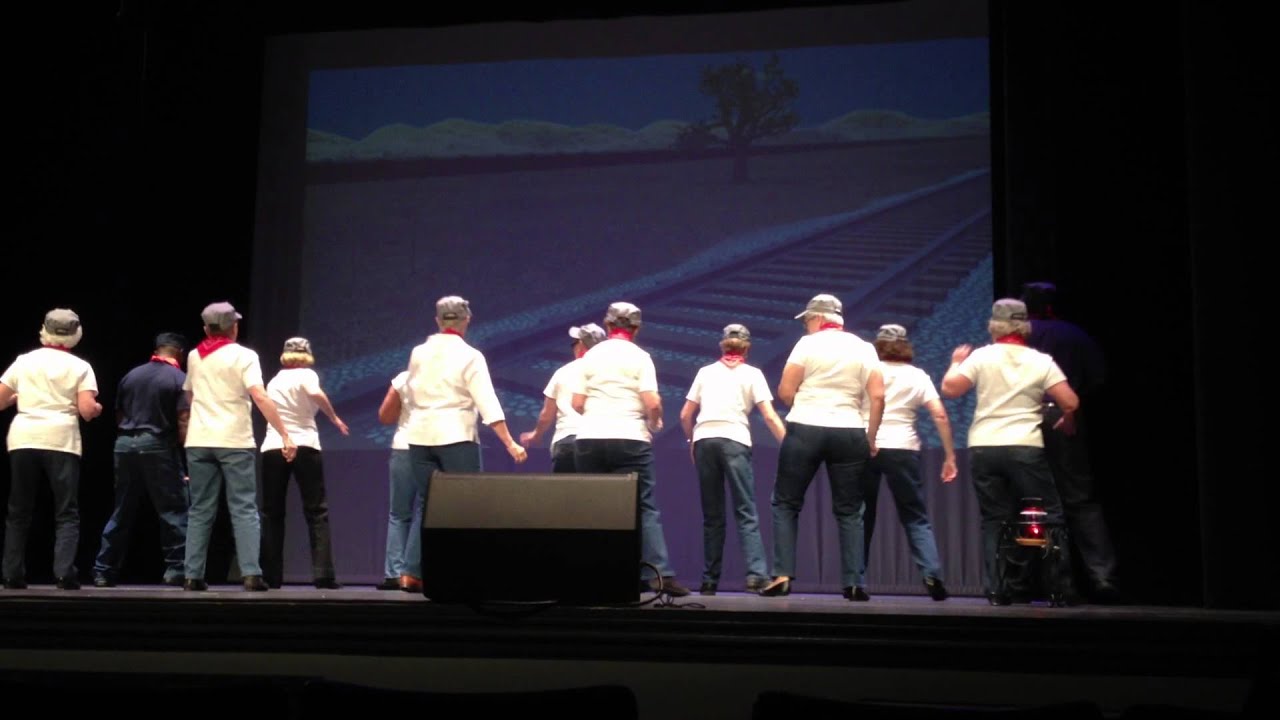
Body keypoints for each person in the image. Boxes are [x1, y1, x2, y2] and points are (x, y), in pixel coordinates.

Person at [941, 298, 1080, 605]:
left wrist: (954, 362)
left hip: (985, 447)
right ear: (1025, 326)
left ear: (994, 326)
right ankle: (1060, 589)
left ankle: (999, 590)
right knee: (1049, 516)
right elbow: (1070, 402)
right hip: (1025, 447)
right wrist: (1065, 418)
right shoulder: (1040, 360)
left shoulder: (982, 357)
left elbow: (951, 389)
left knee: (995, 519)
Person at [760, 294, 884, 600]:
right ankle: (854, 582)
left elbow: (786, 390)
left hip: (806, 428)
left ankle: (783, 576)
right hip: (850, 431)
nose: (806, 326)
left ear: (817, 319)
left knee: (786, 503)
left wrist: (801, 402)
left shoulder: (807, 344)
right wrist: (870, 435)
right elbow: (878, 396)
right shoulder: (864, 348)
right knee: (850, 510)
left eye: (806, 321)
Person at [401, 295, 528, 592]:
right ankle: (465, 572)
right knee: (467, 505)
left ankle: (412, 572)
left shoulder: (418, 353)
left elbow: (409, 391)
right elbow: (487, 402)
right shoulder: (470, 355)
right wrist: (510, 443)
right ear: (466, 320)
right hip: (455, 435)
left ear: (437, 320)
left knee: (427, 503)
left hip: (419, 435)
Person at [571, 301, 691, 597]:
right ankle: (660, 574)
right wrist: (655, 420)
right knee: (645, 507)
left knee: (592, 508)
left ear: (608, 324)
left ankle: (591, 574)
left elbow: (576, 403)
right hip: (630, 438)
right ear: (636, 329)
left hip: (590, 438)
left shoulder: (590, 356)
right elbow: (652, 401)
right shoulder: (641, 357)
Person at [182, 301, 297, 592]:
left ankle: (192, 574)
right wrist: (284, 433)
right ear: (233, 326)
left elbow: (191, 397)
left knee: (199, 509)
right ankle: (250, 573)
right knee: (244, 507)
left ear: (207, 328)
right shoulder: (245, 356)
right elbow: (259, 395)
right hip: (233, 439)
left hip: (199, 439)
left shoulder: (196, 356)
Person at [1022, 281, 1122, 603]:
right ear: (1053, 305)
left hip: (1026, 421)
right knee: (1080, 499)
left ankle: (1052, 581)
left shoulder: (1017, 338)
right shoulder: (1076, 335)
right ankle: (1102, 576)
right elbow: (1098, 379)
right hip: (1068, 418)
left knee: (1035, 502)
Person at [679, 323, 786, 596]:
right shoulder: (753, 374)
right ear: (747, 348)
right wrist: (788, 444)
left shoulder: (705, 372)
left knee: (713, 516)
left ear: (722, 346)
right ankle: (755, 575)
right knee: (745, 511)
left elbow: (684, 415)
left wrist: (693, 441)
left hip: (705, 440)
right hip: (735, 440)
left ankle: (709, 581)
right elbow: (769, 415)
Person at [0, 309, 102, 590]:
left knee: (18, 509)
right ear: (76, 333)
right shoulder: (80, 366)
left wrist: (23, 397)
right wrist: (96, 408)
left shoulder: (24, 361)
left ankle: (11, 573)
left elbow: (0, 400)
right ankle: (64, 573)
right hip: (60, 439)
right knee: (66, 510)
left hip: (24, 437)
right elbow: (85, 410)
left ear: (44, 329)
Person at [856, 323, 957, 601]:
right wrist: (949, 455)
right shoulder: (918, 376)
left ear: (878, 345)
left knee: (861, 515)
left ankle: (856, 581)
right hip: (903, 449)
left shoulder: (867, 372)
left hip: (867, 445)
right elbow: (939, 415)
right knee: (915, 516)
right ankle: (932, 574)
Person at [92, 332, 191, 588]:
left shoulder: (132, 375)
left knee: (122, 509)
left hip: (124, 444)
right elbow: (183, 421)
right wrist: (185, 457)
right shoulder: (179, 378)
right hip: (158, 444)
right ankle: (176, 569)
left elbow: (120, 414)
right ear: (179, 353)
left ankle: (103, 571)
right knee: (173, 509)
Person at [258, 337, 349, 590]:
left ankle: (271, 576)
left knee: (272, 513)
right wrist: (334, 418)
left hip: (274, 447)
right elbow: (315, 393)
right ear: (307, 354)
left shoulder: (275, 379)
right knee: (317, 511)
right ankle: (323, 574)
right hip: (305, 445)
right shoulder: (306, 375)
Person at [519, 323, 607, 472]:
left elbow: (547, 415)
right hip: (600, 441)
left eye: (574, 343)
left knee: (566, 495)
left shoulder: (563, 372)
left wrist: (536, 435)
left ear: (580, 345)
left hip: (567, 442)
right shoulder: (609, 373)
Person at [376, 369, 419, 590]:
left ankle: (393, 573)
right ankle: (412, 572)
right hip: (428, 447)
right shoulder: (444, 374)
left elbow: (385, 416)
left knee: (399, 514)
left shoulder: (404, 377)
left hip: (402, 447)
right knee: (424, 512)